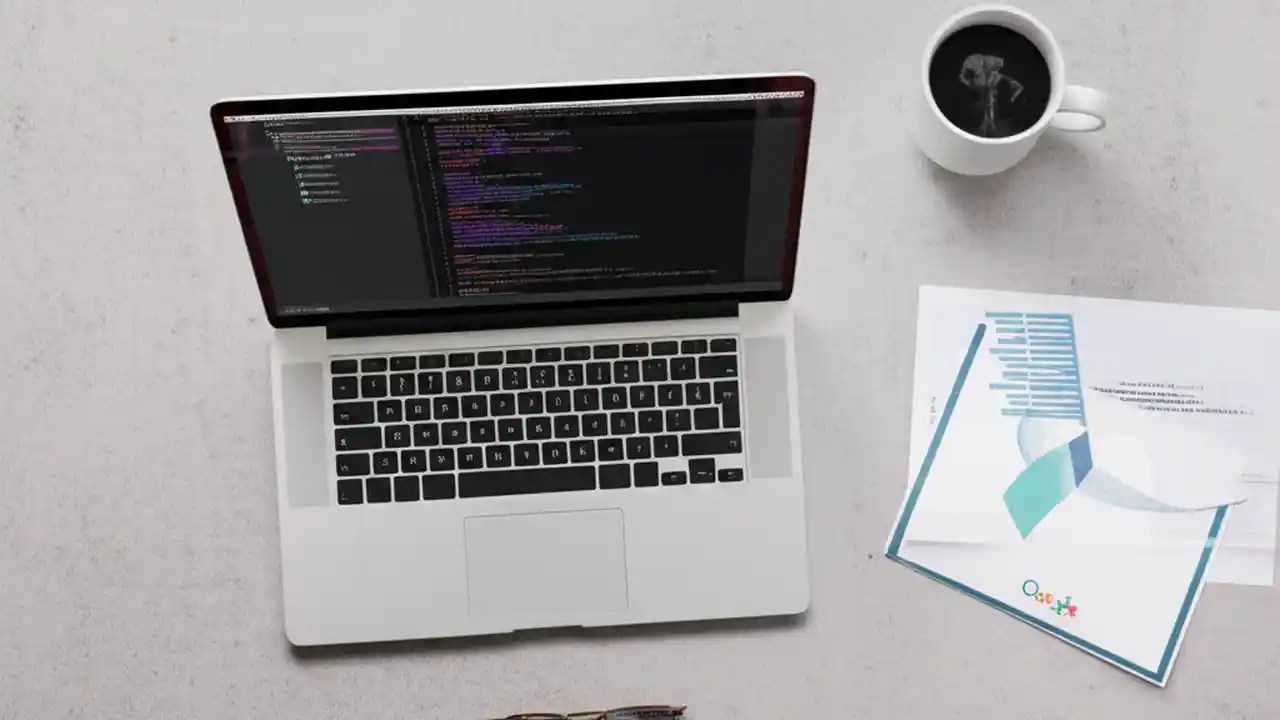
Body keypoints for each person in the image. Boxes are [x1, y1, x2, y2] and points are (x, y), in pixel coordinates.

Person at [958, 54, 1024, 137]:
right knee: (987, 107)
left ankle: (989, 127)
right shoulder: (979, 73)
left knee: (989, 108)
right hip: (986, 91)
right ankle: (988, 126)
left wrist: (1012, 98)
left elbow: (1018, 87)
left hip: (990, 92)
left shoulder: (997, 77)